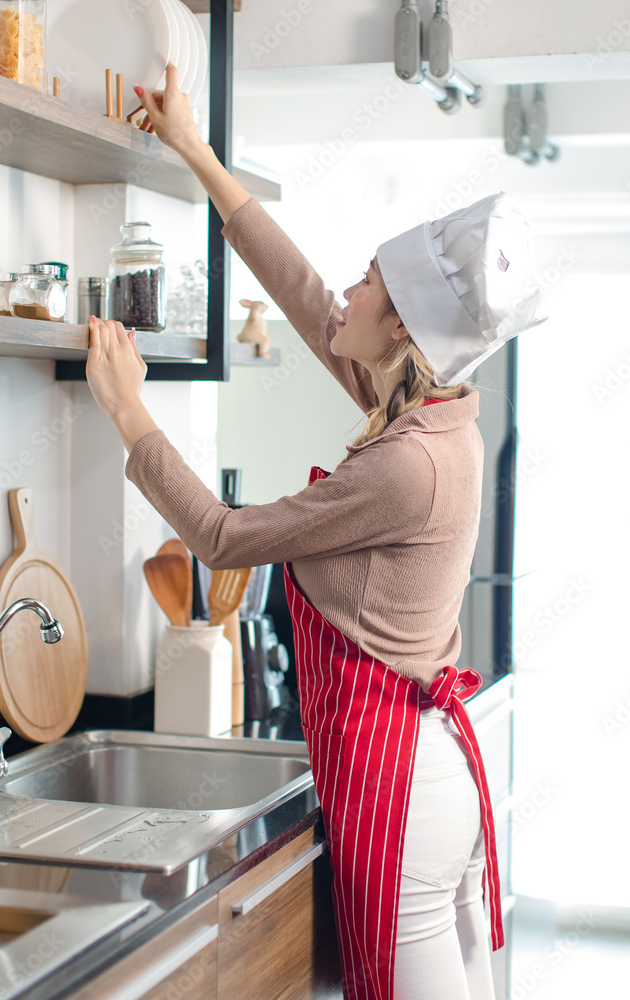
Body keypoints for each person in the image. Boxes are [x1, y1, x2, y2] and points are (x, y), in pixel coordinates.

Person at [86, 65, 546, 1000]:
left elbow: (219, 534)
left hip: (405, 789)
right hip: (432, 773)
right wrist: (195, 151)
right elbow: (307, 298)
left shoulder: (404, 466)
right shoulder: (433, 414)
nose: (349, 290)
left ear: (406, 328)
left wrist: (129, 412)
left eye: (370, 282)